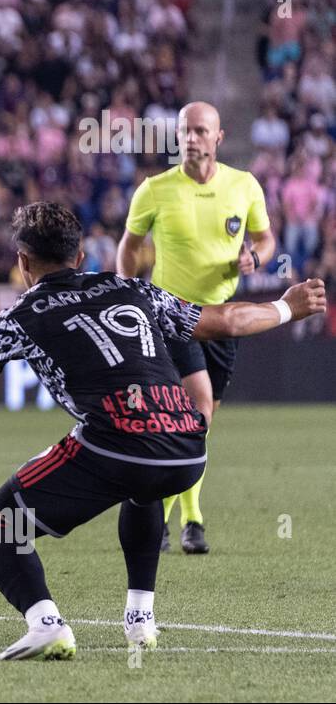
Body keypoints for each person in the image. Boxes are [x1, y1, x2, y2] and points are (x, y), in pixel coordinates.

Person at [0, 202, 324, 660]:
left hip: (117, 443)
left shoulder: (17, 317)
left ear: (22, 262)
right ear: (80, 256)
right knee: (143, 485)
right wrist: (287, 307)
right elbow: (228, 321)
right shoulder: (136, 290)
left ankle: (46, 625)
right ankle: (141, 620)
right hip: (188, 447)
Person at [117, 102, 275, 554]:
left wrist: (255, 257)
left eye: (200, 131)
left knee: (198, 425)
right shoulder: (155, 190)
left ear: (218, 137)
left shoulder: (243, 186)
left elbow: (265, 238)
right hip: (173, 317)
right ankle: (177, 522)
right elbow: (128, 246)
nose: (191, 138)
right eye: (185, 131)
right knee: (197, 408)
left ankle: (184, 517)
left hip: (224, 319)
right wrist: (128, 295)